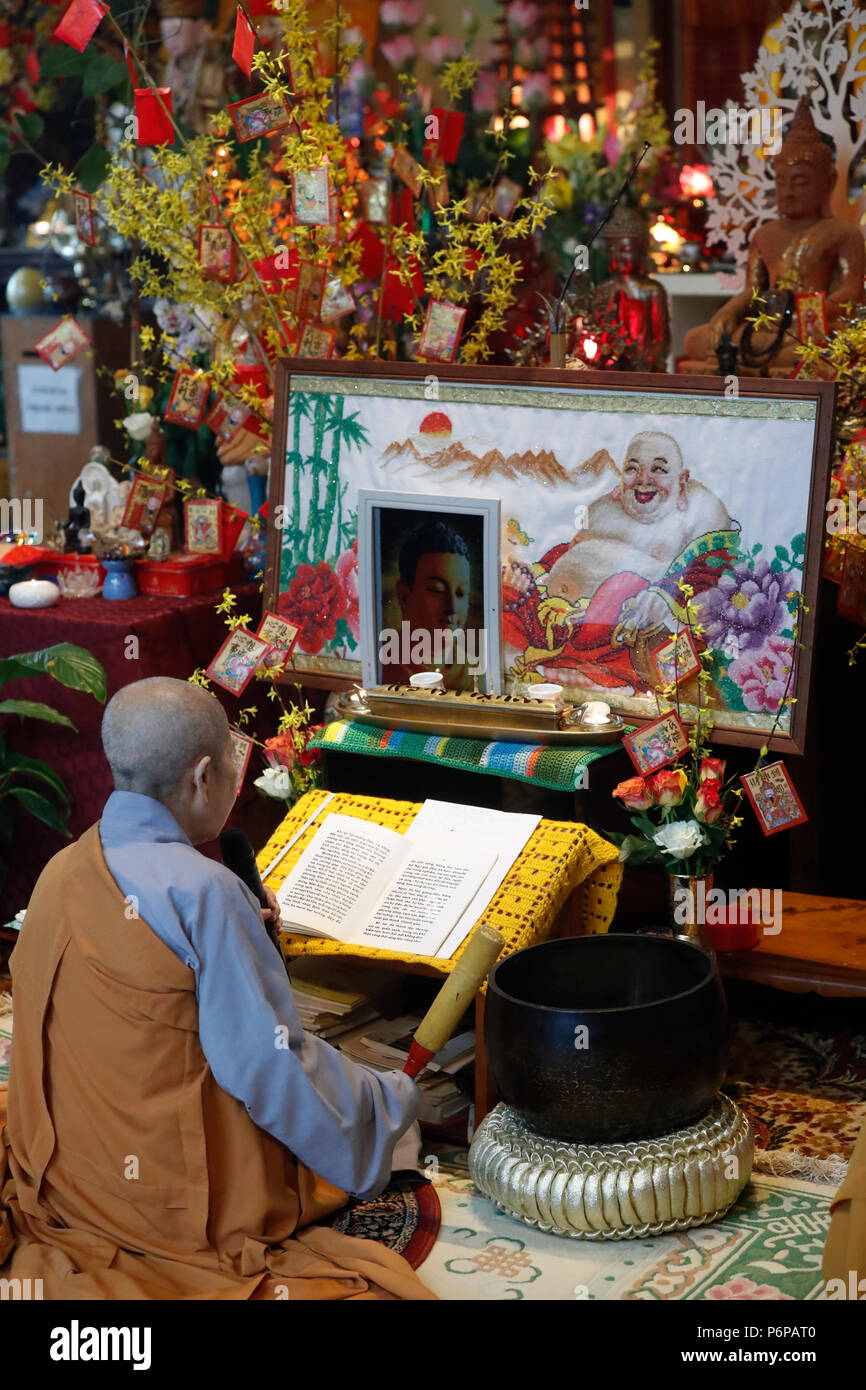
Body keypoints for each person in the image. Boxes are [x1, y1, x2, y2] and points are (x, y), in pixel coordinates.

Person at [0, 678, 433, 1300]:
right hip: (166, 1204)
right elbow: (265, 1065)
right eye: (234, 763)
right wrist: (383, 1101)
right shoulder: (205, 891)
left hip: (67, 1171)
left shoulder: (60, 867)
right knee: (391, 1131)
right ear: (204, 776)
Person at [503, 431, 736, 695]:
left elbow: (706, 572)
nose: (643, 480)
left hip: (628, 632)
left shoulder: (699, 517)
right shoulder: (605, 511)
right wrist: (534, 573)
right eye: (632, 469)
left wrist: (660, 595)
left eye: (658, 469)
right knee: (505, 590)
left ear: (682, 480)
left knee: (625, 589)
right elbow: (566, 553)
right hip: (564, 613)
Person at [378, 519, 479, 690]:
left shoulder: (473, 671)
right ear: (404, 595)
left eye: (461, 593)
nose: (452, 607)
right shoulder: (385, 664)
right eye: (436, 590)